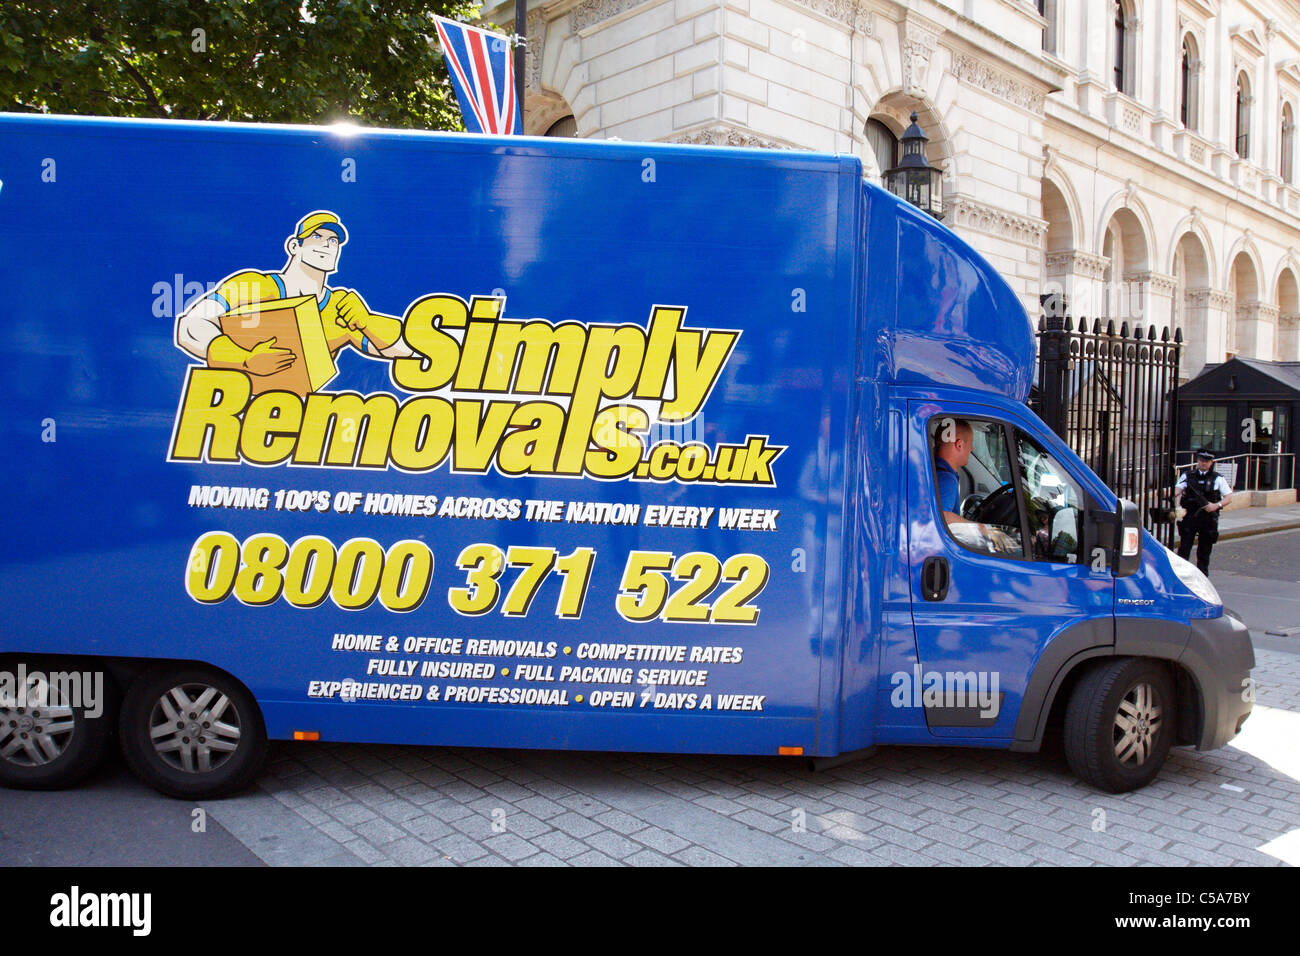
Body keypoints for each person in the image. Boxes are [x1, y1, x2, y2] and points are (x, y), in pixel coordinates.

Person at [175, 211, 413, 384]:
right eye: (317, 237)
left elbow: (404, 352)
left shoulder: (339, 307)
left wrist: (368, 322)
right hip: (236, 412)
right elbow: (190, 326)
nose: (327, 245)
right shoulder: (255, 286)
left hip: (301, 422)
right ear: (293, 246)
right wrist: (243, 359)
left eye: (333, 241)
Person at [932, 417, 1018, 553]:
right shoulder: (945, 479)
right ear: (959, 445)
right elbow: (941, 516)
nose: (971, 448)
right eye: (970, 443)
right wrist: (982, 530)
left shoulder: (934, 471)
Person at [1176, 448, 1233, 575]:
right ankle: (1180, 576)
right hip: (1190, 516)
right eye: (1201, 460)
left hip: (1208, 518)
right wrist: (1166, 493)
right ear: (1197, 461)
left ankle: (1202, 577)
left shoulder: (1217, 478)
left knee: (1204, 551)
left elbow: (1228, 497)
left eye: (1207, 461)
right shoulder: (1187, 476)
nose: (1203, 463)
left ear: (1211, 462)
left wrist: (1216, 505)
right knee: (1184, 548)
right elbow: (1177, 490)